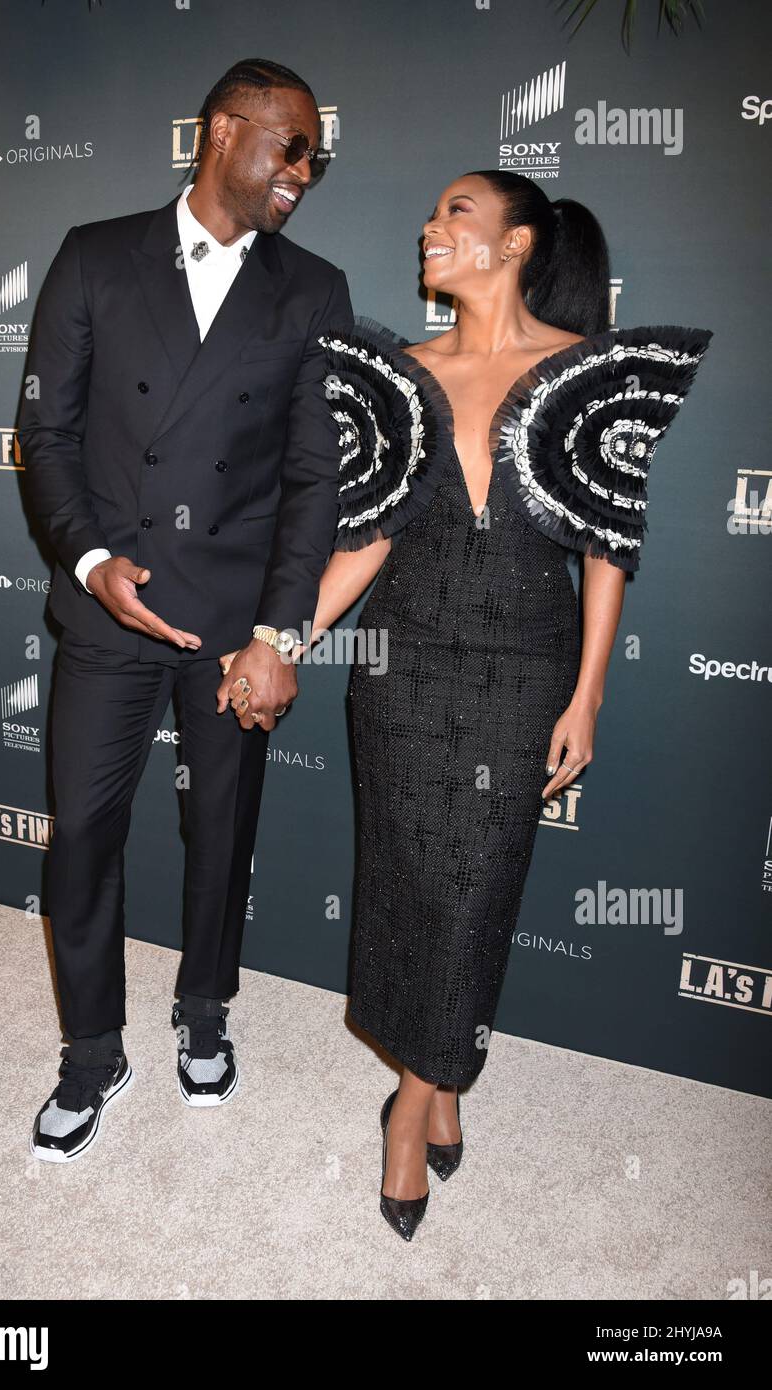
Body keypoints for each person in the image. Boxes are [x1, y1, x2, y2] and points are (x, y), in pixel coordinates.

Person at [305, 170, 711, 1238]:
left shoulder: (583, 375)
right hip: (398, 674)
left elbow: (605, 553)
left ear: (517, 244)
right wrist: (283, 636)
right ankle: (428, 1091)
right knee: (402, 888)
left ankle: (413, 1096)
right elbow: (370, 537)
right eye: (430, 209)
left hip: (522, 676)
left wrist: (585, 695)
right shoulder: (402, 371)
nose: (428, 226)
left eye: (454, 214)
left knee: (474, 894)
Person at [17, 57, 352, 1162]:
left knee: (221, 832)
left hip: (232, 622)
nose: (304, 168)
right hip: (107, 608)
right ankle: (90, 1050)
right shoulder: (93, 255)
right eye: (289, 144)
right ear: (220, 133)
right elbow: (47, 436)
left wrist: (278, 630)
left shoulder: (311, 289)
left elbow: (313, 479)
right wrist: (89, 558)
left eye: (315, 154)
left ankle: (203, 1011)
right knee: (82, 839)